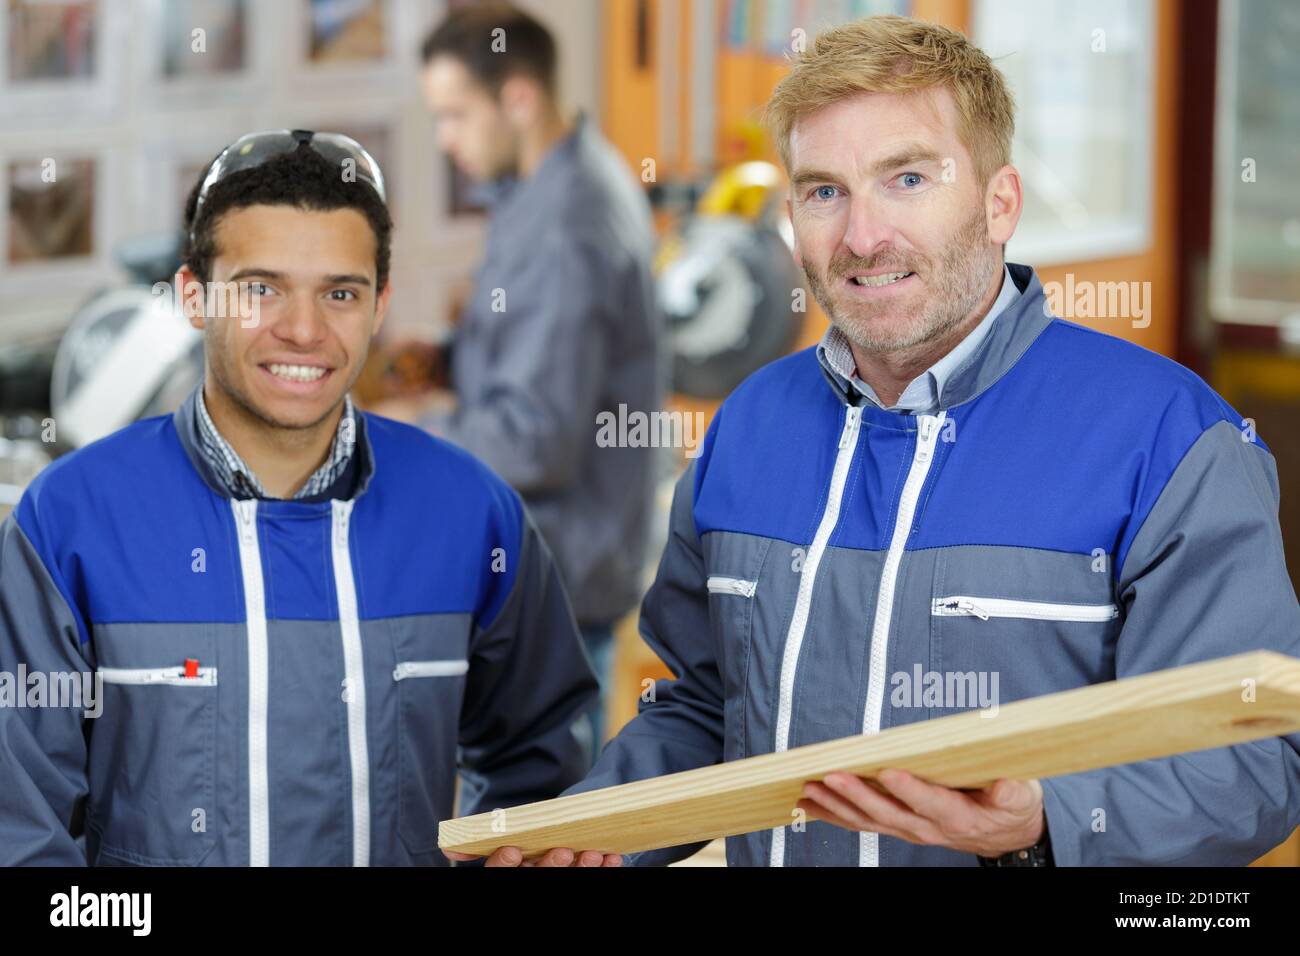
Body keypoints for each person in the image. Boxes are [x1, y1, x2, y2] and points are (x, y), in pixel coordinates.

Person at [449, 14, 1300, 867]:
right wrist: (590, 834)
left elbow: (1257, 757)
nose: (862, 238)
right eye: (825, 191)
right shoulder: (748, 426)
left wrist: (1047, 823)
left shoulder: (1171, 442)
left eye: (908, 179)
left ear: (1000, 202)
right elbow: (708, 709)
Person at [0, 130, 600, 866]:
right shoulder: (67, 522)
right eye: (261, 289)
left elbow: (540, 765)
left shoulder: (473, 513)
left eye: (340, 293)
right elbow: (21, 834)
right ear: (194, 296)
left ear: (379, 305)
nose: (304, 331)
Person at [407, 3, 663, 753]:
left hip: (560, 583)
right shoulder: (544, 184)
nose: (445, 138)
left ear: (517, 98)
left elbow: (535, 440)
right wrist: (446, 358)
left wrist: (402, 441)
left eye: (455, 115)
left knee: (539, 811)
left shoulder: (568, 223)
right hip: (549, 567)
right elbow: (533, 349)